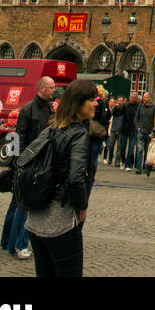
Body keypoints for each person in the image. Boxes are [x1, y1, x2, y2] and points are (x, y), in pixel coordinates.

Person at [26, 78, 96, 277]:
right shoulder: (78, 134)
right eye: (92, 99)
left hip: (36, 218)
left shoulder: (51, 128)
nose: (96, 103)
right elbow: (75, 178)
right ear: (78, 103)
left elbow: (26, 160)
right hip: (61, 219)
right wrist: (82, 206)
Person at [1, 73, 55, 260]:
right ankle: (17, 244)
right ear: (42, 89)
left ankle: (7, 240)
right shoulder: (28, 109)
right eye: (52, 87)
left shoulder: (49, 108)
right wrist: (18, 162)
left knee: (17, 203)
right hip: (28, 162)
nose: (54, 91)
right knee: (23, 205)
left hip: (40, 161)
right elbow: (18, 136)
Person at [134, 92, 155, 176]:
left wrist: (153, 129)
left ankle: (145, 167)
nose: (144, 99)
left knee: (147, 150)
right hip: (141, 131)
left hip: (149, 132)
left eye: (145, 97)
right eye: (143, 97)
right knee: (139, 150)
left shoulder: (154, 108)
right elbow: (136, 118)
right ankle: (138, 168)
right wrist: (138, 127)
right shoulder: (140, 107)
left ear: (149, 99)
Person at [121, 94, 138, 170]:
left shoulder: (138, 107)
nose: (131, 99)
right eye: (130, 97)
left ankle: (128, 164)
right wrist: (117, 108)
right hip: (124, 128)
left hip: (133, 129)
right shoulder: (125, 106)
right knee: (122, 147)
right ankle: (123, 160)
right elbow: (118, 113)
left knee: (131, 148)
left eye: (133, 97)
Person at [106, 97, 125, 166]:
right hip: (113, 129)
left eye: (121, 101)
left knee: (119, 147)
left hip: (121, 130)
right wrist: (115, 107)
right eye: (118, 101)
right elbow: (111, 114)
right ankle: (110, 158)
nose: (119, 102)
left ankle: (117, 161)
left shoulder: (124, 109)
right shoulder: (115, 108)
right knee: (111, 145)